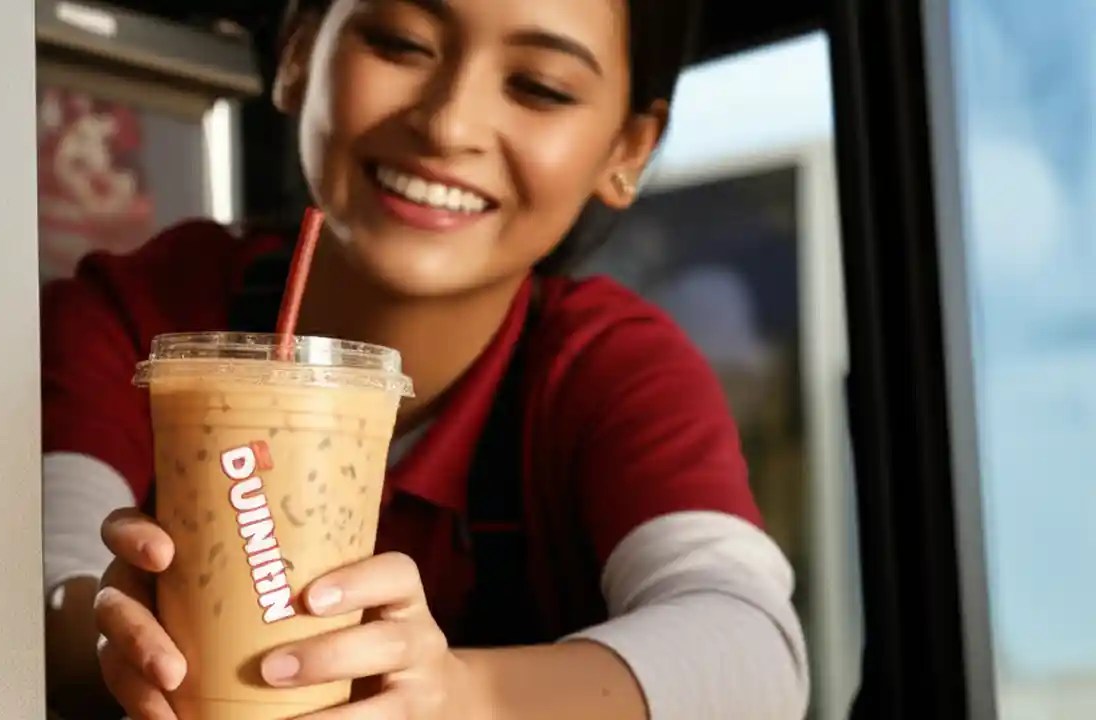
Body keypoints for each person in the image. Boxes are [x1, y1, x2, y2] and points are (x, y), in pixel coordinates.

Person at [40, 0, 809, 718]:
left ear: (627, 148)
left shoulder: (606, 366)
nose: (448, 124)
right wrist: (113, 629)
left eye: (539, 87)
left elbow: (751, 647)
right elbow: (31, 576)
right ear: (299, 52)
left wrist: (457, 694)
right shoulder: (133, 314)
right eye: (401, 43)